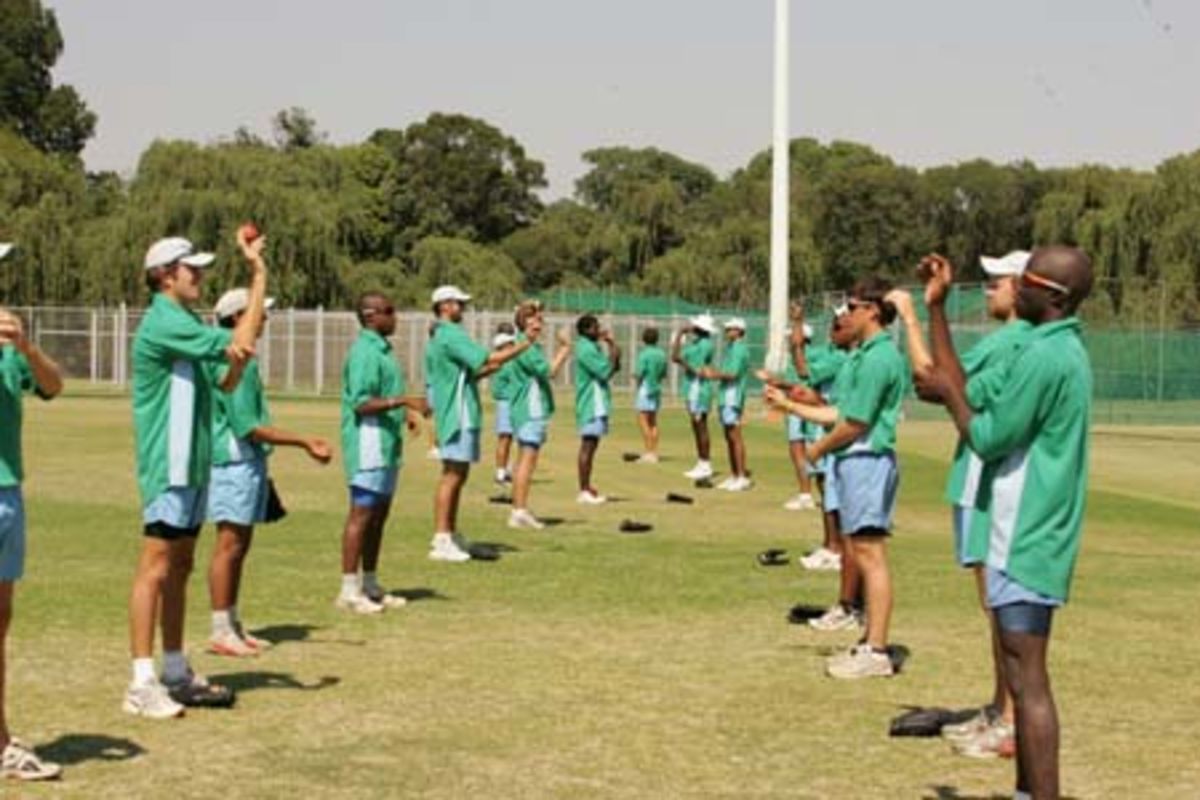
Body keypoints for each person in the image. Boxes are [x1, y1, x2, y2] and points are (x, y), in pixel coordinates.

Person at [916, 246, 1094, 800]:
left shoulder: (1046, 357)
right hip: (1023, 527)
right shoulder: (1053, 347)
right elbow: (977, 397)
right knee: (1019, 672)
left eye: (1030, 280)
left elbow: (989, 437)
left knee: (1029, 678)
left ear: (1055, 295)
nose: (1018, 287)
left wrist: (948, 394)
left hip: (1028, 530)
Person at [888, 250, 1033, 759]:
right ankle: (1000, 710)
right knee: (994, 609)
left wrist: (916, 314)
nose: (989, 288)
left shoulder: (1016, 341)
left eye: (999, 281)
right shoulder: (1007, 339)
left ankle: (1012, 720)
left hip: (987, 482)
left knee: (1002, 611)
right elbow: (941, 380)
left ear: (1023, 286)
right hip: (976, 481)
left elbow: (936, 381)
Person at [126, 232, 265, 718]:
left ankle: (175, 669)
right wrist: (258, 273)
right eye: (192, 269)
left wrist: (236, 361)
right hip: (170, 463)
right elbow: (240, 339)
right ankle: (141, 681)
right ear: (166, 275)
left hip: (194, 464)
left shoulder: (184, 321)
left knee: (180, 567)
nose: (200, 276)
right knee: (156, 566)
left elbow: (225, 377)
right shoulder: (165, 321)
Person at [769, 277, 907, 679]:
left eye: (853, 306)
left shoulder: (881, 358)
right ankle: (869, 641)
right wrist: (791, 407)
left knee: (870, 555)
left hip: (867, 460)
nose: (846, 313)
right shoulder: (865, 355)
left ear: (874, 311)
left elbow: (855, 422)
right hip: (855, 461)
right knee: (859, 551)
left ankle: (876, 649)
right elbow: (838, 412)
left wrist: (817, 449)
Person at [207, 289, 333, 651]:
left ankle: (230, 623)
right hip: (235, 460)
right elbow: (248, 425)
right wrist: (304, 441)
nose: (265, 318)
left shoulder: (238, 357)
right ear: (236, 318)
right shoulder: (235, 359)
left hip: (244, 461)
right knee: (229, 545)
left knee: (239, 544)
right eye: (259, 312)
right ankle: (220, 629)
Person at [0, 242, 65, 781]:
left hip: (7, 491)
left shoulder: (6, 342)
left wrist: (25, 347)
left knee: (1, 624)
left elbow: (52, 386)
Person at [766, 306, 863, 632]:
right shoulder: (837, 354)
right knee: (831, 497)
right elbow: (806, 373)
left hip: (843, 441)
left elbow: (813, 381)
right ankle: (834, 557)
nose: (835, 327)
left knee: (849, 523)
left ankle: (837, 563)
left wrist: (799, 400)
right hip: (830, 433)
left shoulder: (846, 359)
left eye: (841, 322)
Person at [427, 286, 536, 561]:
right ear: (444, 306)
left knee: (458, 474)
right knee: (452, 475)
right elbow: (486, 357)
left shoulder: (445, 334)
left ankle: (450, 534)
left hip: (462, 411)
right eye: (458, 304)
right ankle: (441, 537)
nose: (462, 308)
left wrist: (492, 366)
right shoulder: (449, 334)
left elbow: (473, 371)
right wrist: (524, 344)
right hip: (458, 414)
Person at [338, 292, 426, 611]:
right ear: (371, 316)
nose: (396, 316)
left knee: (378, 516)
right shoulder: (364, 352)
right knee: (361, 514)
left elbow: (385, 393)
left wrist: (405, 416)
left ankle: (370, 583)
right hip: (368, 444)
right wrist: (403, 402)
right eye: (390, 310)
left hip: (387, 444)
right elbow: (361, 404)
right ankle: (348, 589)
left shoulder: (384, 350)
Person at [506, 300, 571, 528]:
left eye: (539, 320)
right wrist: (565, 349)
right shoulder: (526, 347)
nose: (538, 324)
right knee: (527, 460)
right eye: (532, 319)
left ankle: (518, 508)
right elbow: (549, 372)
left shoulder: (524, 345)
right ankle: (520, 510)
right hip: (530, 410)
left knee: (523, 460)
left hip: (524, 410)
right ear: (522, 322)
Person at [573, 314, 621, 504]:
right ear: (586, 330)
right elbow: (606, 372)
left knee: (592, 445)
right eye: (595, 327)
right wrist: (612, 346)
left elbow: (614, 365)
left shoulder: (593, 347)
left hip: (598, 402)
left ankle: (587, 487)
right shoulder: (586, 349)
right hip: (591, 403)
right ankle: (583, 490)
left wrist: (612, 345)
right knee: (588, 445)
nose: (598, 329)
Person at [700, 317, 752, 491]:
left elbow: (733, 374)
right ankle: (734, 474)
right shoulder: (731, 348)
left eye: (731, 328)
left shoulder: (739, 349)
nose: (727, 331)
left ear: (739, 331)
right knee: (728, 437)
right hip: (725, 396)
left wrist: (712, 374)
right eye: (727, 328)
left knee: (735, 436)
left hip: (732, 396)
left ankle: (742, 477)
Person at [672, 314, 716, 480]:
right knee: (696, 426)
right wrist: (679, 335)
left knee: (701, 426)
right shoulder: (695, 344)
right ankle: (701, 461)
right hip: (692, 389)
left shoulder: (704, 345)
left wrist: (683, 362)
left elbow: (696, 369)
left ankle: (705, 464)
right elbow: (675, 357)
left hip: (699, 389)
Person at [632, 327, 668, 464]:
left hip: (646, 388)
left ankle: (649, 452)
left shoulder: (644, 354)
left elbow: (639, 373)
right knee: (653, 422)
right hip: (657, 389)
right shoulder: (661, 354)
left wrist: (635, 378)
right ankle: (654, 452)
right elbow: (664, 373)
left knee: (643, 420)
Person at [491, 324, 518, 486]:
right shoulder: (504, 359)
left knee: (509, 438)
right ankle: (500, 473)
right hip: (506, 402)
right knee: (505, 438)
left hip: (511, 401)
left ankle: (506, 469)